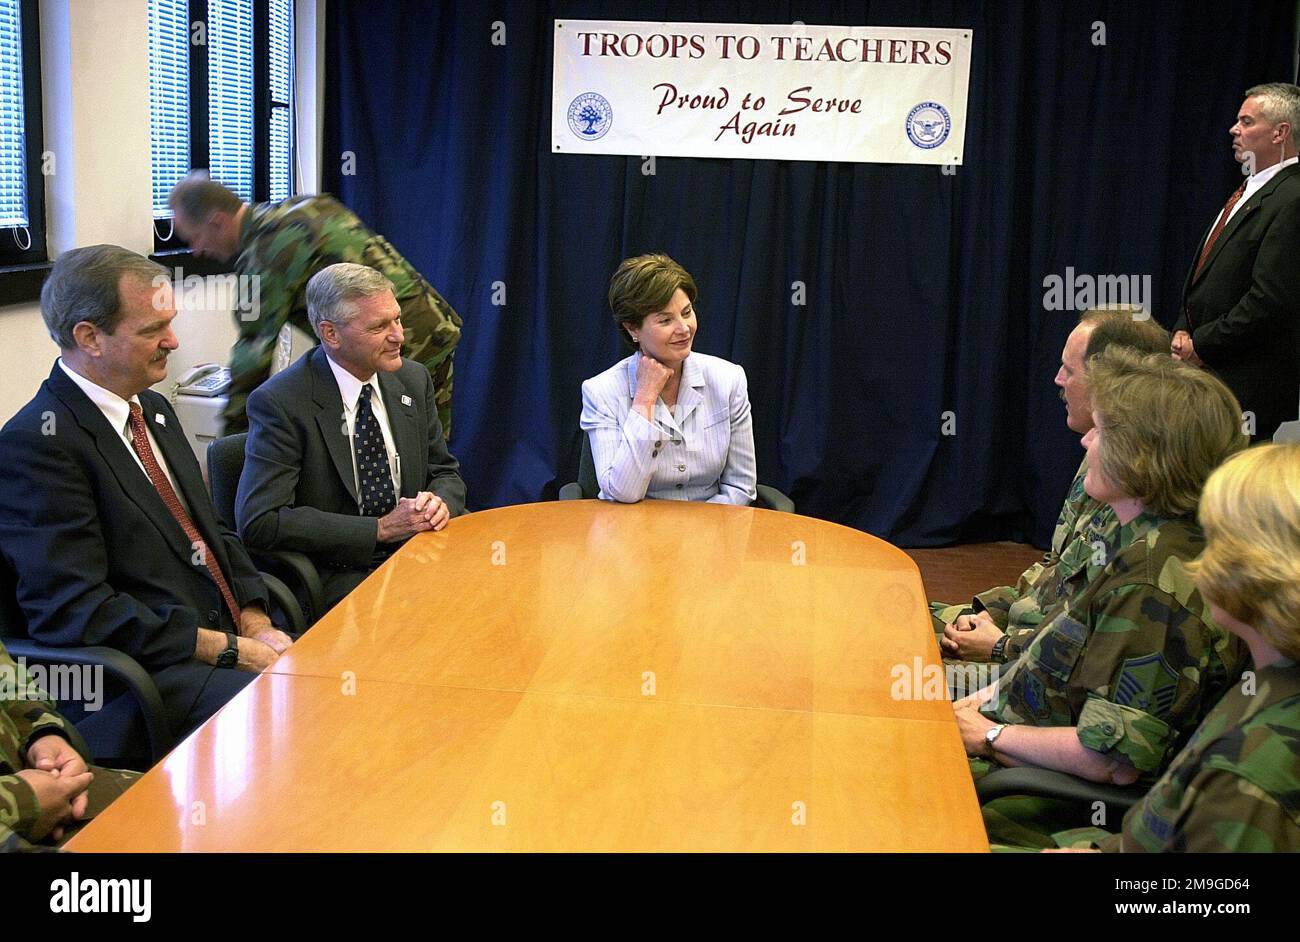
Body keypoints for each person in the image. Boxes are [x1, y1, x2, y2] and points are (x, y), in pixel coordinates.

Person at [0, 246, 292, 752]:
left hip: (214, 644)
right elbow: (76, 611)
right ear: (89, 337)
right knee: (293, 710)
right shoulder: (39, 444)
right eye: (152, 329)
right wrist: (227, 650)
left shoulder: (153, 408)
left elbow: (213, 532)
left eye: (170, 323)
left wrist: (256, 619)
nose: (173, 341)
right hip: (138, 678)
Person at [952, 350, 1249, 847]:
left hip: (1050, 802)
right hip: (1018, 745)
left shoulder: (1153, 585)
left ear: (1143, 456)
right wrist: (970, 709)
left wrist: (987, 735)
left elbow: (1111, 762)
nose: (1087, 438)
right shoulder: (1141, 543)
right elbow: (1049, 667)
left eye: (1104, 431)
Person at [1047, 443, 1300, 852]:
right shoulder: (1274, 676)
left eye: (1216, 540)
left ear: (1262, 572)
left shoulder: (1248, 778)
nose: (1198, 559)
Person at [933, 309, 1171, 667]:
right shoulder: (1096, 454)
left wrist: (1002, 646)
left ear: (1111, 383)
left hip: (1034, 669)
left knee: (888, 670)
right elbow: (1056, 570)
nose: (1058, 379)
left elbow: (1089, 646)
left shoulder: (1137, 493)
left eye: (1070, 371)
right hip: (1019, 638)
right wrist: (984, 614)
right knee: (892, 617)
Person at [237, 264, 467, 610]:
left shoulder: (413, 380)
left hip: (420, 552)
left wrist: (438, 502)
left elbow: (444, 471)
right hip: (340, 573)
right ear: (330, 334)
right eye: (379, 326)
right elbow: (262, 521)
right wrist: (378, 529)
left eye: (397, 319)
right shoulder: (281, 403)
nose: (399, 336)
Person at [168, 173, 463, 437]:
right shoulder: (307, 207)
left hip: (396, 345)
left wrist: (227, 445)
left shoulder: (266, 252)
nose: (196, 251)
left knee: (399, 455)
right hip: (432, 324)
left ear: (217, 221)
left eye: (194, 238)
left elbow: (252, 357)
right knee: (430, 449)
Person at [1171, 82, 1300, 442]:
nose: (1234, 129)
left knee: (1229, 496)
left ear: (1280, 132)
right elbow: (1208, 277)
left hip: (1245, 388)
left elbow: (1271, 300)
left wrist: (1203, 344)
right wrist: (1184, 330)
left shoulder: (1292, 197)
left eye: (1246, 121)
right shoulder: (1249, 190)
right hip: (1210, 376)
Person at [580, 253, 757, 505]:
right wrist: (645, 397)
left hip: (712, 530)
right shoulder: (602, 391)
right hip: (632, 533)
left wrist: (698, 535)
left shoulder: (728, 379)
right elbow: (622, 493)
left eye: (687, 312)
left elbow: (741, 486)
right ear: (632, 329)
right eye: (665, 320)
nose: (684, 328)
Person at [1, 640, 139, 852]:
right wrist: (20, 801)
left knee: (179, 812)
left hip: (33, 773)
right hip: (17, 801)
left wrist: (42, 731)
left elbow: (5, 675)